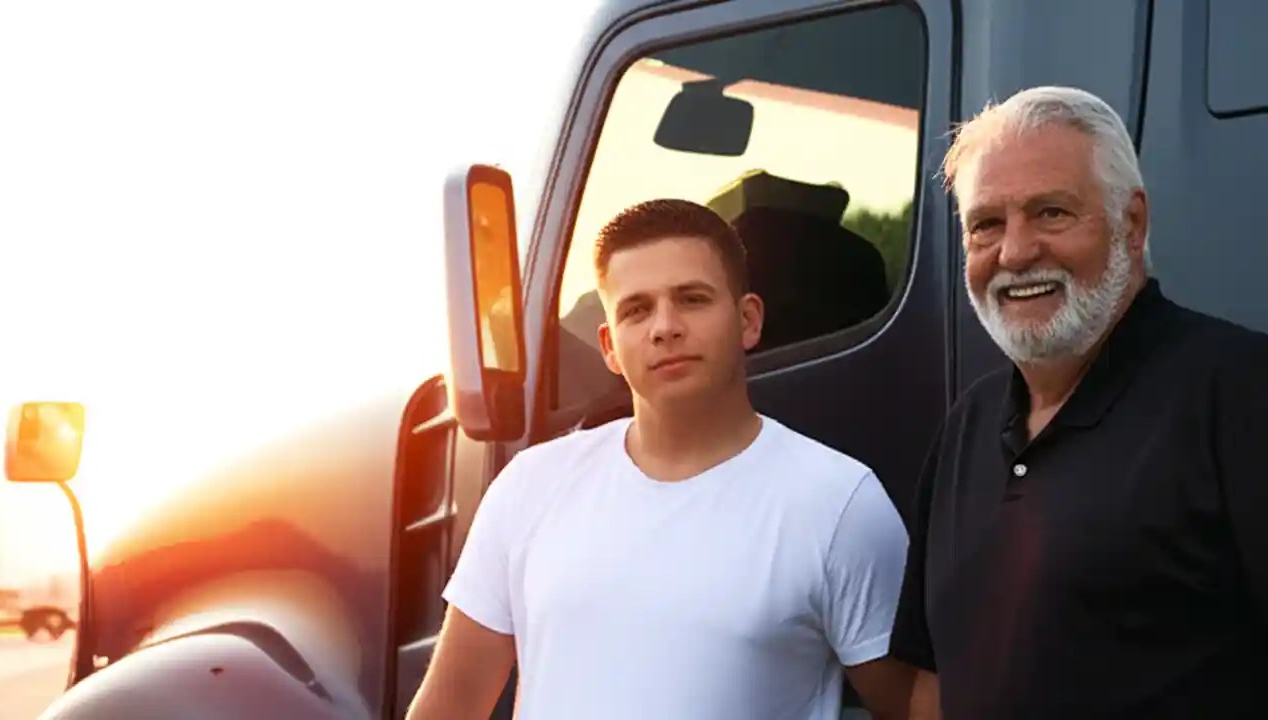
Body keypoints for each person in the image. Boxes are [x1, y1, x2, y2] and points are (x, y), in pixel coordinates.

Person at [408, 198, 915, 719]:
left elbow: (916, 709)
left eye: (692, 300)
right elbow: (453, 703)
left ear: (748, 320)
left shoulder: (837, 504)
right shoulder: (530, 488)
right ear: (609, 345)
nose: (664, 327)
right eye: (636, 309)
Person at [891, 85, 1268, 719]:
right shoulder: (968, 424)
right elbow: (932, 680)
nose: (1014, 252)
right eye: (985, 224)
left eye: (1052, 213)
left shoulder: (1239, 392)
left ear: (1132, 221)